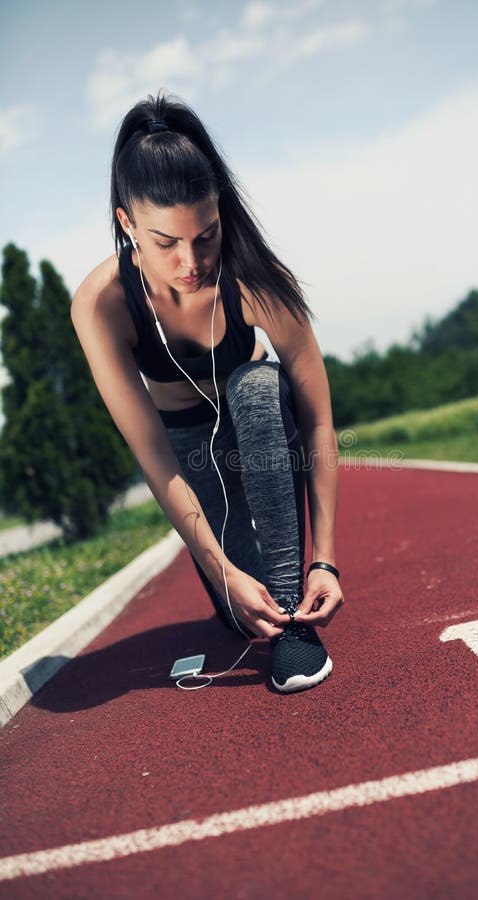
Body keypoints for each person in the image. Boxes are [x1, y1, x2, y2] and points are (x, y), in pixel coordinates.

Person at [70, 89, 344, 693]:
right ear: (127, 223)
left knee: (254, 388)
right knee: (238, 610)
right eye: (166, 242)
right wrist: (223, 573)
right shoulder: (102, 307)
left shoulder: (258, 279)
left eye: (206, 234)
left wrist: (323, 557)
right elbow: (155, 458)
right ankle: (249, 588)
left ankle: (297, 624)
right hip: (187, 450)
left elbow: (319, 421)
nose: (191, 261)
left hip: (264, 432)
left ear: (220, 210)